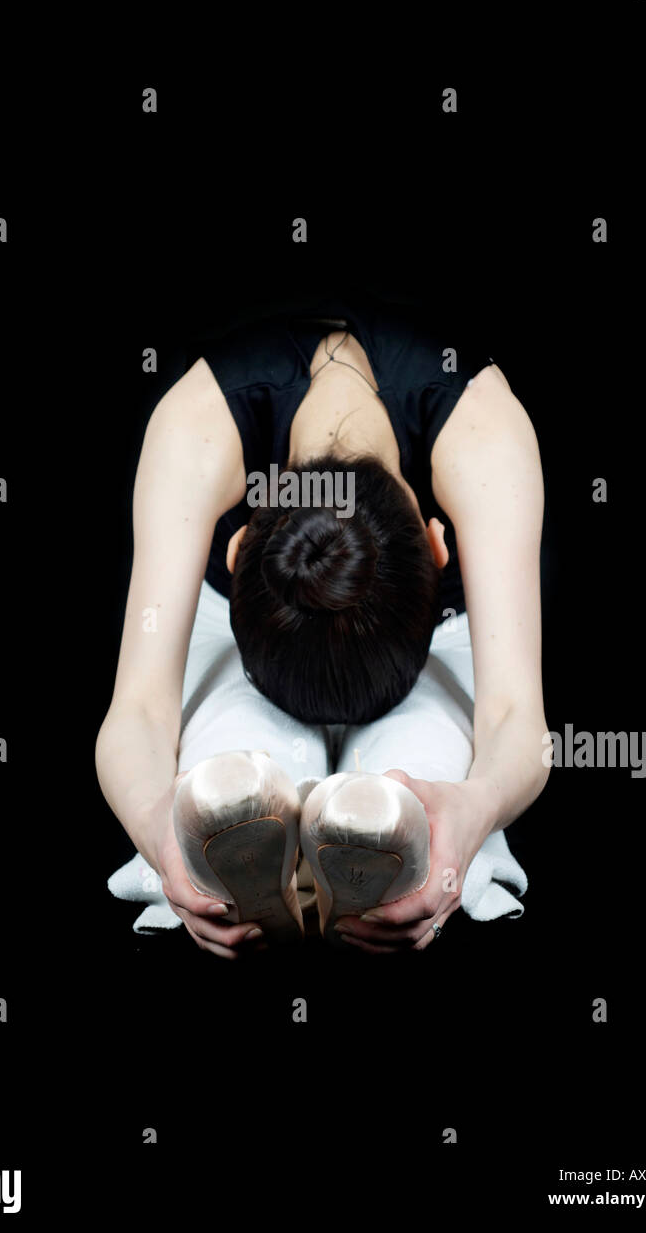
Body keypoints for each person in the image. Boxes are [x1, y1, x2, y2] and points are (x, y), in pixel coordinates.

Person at [95, 295, 550, 958]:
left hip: (431, 640)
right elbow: (137, 708)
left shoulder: (485, 439)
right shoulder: (192, 431)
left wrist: (471, 809)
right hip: (237, 630)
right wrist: (153, 824)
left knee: (416, 780)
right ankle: (252, 810)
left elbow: (515, 715)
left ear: (436, 549)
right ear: (237, 546)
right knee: (221, 779)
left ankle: (386, 827)